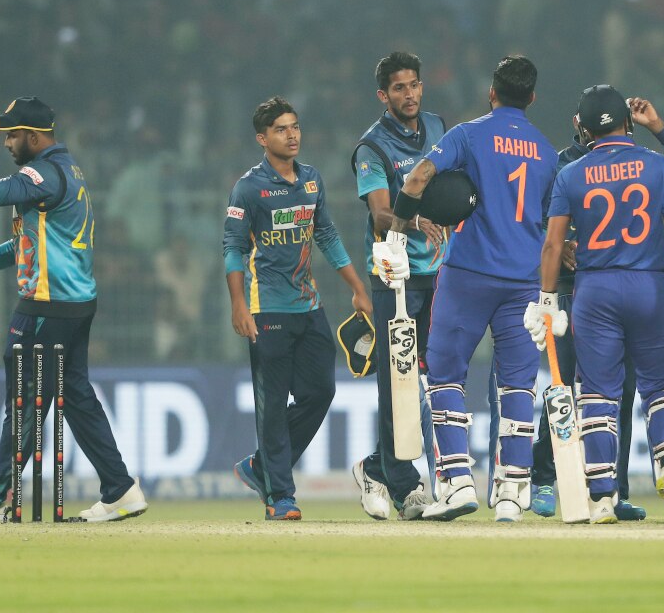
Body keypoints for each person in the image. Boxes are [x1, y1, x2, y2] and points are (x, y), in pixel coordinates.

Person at [0, 97, 148, 523]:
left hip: (46, 308)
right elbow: (24, 245)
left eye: (12, 136)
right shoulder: (66, 171)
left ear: (34, 137)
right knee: (77, 398)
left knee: (24, 403)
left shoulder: (40, 172)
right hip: (73, 305)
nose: (7, 144)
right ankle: (121, 489)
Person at [529, 84, 664, 524]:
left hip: (594, 290)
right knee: (662, 386)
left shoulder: (570, 173)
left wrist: (545, 301)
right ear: (625, 121)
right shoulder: (655, 166)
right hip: (649, 286)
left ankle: (601, 496)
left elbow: (552, 244)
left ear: (582, 127)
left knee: (597, 394)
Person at [375, 55, 557, 523]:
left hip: (469, 274)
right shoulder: (546, 150)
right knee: (518, 384)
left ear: (491, 92)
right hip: (523, 280)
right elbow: (555, 221)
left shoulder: (468, 134)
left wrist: (399, 229)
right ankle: (513, 493)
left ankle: (456, 483)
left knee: (445, 374)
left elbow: (418, 178)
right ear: (532, 99)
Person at [226, 96, 373, 521]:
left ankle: (259, 466)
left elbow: (325, 233)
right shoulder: (249, 188)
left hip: (309, 305)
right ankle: (280, 496)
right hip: (267, 308)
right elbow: (233, 247)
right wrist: (239, 304)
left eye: (294, 127)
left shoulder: (311, 180)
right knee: (272, 403)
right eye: (280, 129)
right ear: (262, 138)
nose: (292, 135)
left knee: (320, 392)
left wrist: (356, 286)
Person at [349, 51, 445, 521]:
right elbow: (381, 214)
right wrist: (417, 219)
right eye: (399, 88)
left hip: (439, 272)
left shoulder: (439, 127)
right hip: (395, 277)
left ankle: (374, 466)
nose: (409, 95)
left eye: (415, 85)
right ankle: (409, 486)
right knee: (399, 379)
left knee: (427, 379)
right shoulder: (372, 147)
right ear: (383, 96)